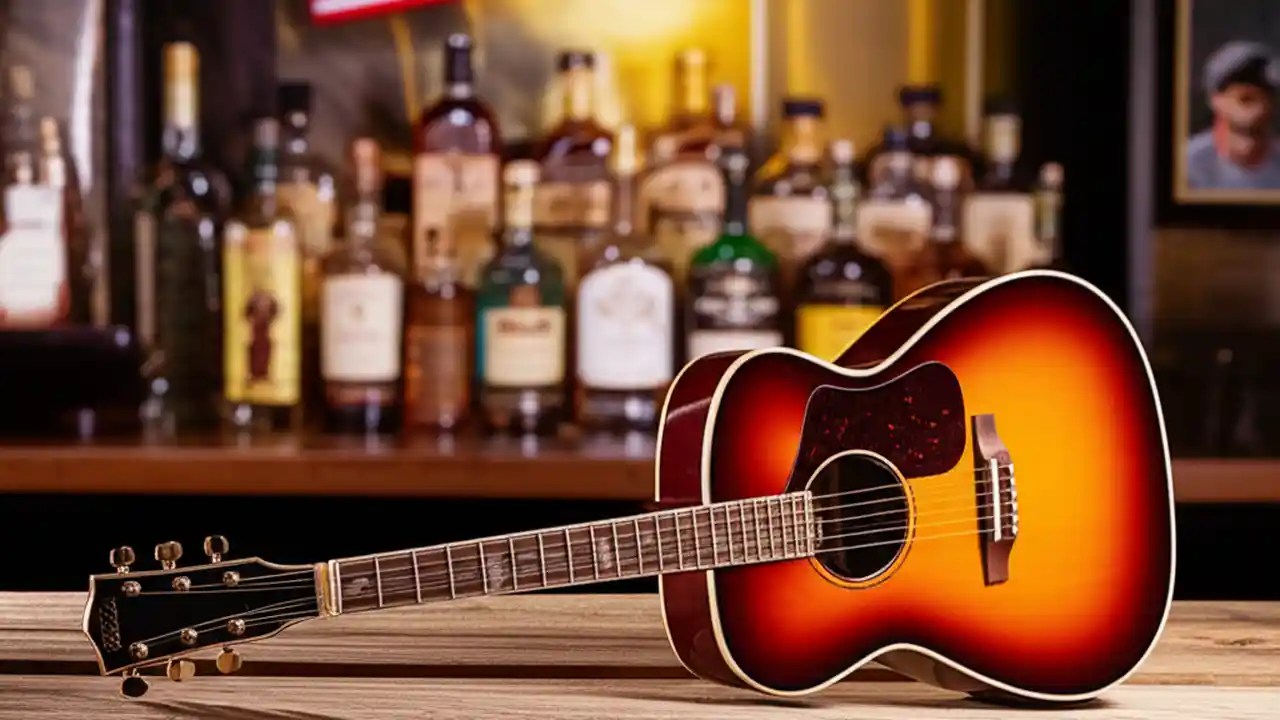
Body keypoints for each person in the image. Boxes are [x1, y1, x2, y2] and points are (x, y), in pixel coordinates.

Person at [1186, 40, 1280, 189]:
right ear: (1214, 100)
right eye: (1245, 98)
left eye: (1266, 93)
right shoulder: (1187, 166)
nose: (1258, 106)